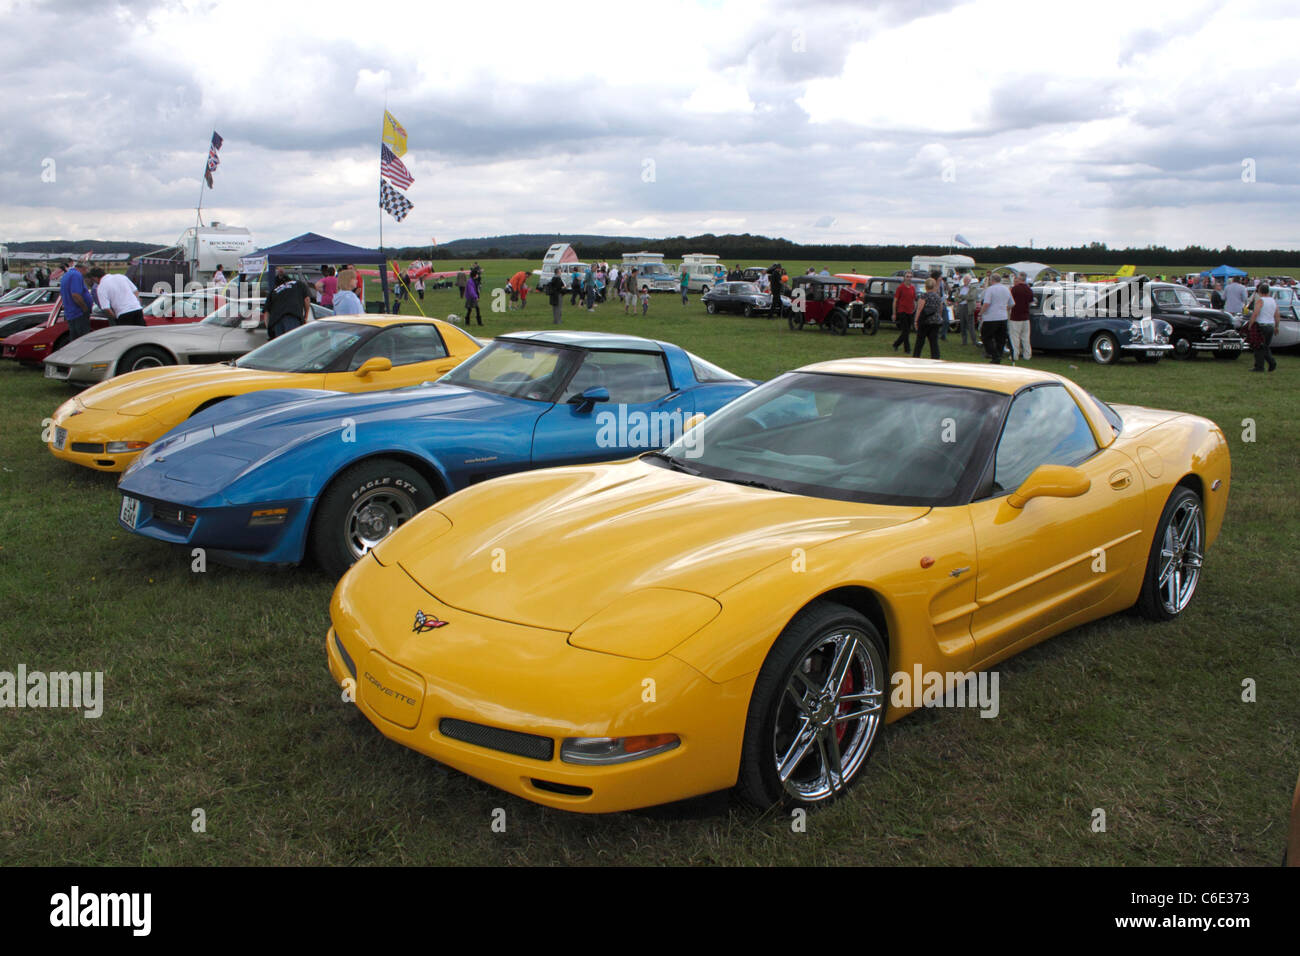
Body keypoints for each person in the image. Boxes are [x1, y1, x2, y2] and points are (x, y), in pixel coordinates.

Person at [261, 268, 312, 339]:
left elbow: (266, 313)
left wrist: (269, 329)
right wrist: (305, 316)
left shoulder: (274, 291)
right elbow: (307, 299)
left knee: (282, 346)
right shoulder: (299, 284)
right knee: (293, 343)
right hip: (292, 317)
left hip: (276, 321)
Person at [979, 273, 1012, 363]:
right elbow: (1011, 303)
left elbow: (986, 303)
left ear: (992, 280)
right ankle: (998, 356)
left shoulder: (990, 289)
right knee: (1000, 339)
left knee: (986, 337)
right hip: (1003, 317)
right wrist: (1004, 309)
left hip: (991, 317)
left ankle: (994, 355)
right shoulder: (1006, 289)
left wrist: (981, 313)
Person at [1247, 282, 1278, 373]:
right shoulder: (1273, 301)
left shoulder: (1260, 301)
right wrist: (1277, 326)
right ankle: (1271, 363)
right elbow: (1277, 315)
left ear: (1260, 291)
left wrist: (1250, 325)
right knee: (1266, 347)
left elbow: (1255, 314)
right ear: (1268, 291)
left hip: (1261, 325)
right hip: (1271, 325)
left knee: (1258, 347)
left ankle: (1260, 366)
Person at [59, 262, 94, 341]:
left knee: (75, 338)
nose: (87, 272)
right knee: (83, 339)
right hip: (78, 313)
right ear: (83, 268)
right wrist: (85, 308)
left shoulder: (67, 275)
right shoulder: (76, 275)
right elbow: (75, 295)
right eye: (87, 270)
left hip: (71, 312)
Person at [911, 277, 943, 360]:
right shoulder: (937, 297)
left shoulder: (924, 296)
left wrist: (916, 321)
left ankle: (916, 357)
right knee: (934, 342)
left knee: (920, 341)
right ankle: (936, 358)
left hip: (925, 321)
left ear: (926, 286)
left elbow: (919, 309)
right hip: (935, 322)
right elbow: (940, 309)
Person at [1008, 272, 1033, 361]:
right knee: (1026, 338)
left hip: (1015, 316)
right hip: (1026, 317)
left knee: (1015, 337)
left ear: (1019, 279)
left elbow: (1010, 302)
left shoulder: (1014, 289)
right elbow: (1030, 302)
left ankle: (1015, 355)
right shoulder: (1029, 289)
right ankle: (1027, 355)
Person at [891, 271, 916, 352]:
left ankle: (896, 344)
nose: (909, 278)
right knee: (905, 331)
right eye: (907, 276)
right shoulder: (900, 288)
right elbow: (895, 301)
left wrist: (914, 308)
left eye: (910, 276)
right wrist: (894, 313)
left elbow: (914, 299)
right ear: (904, 278)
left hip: (910, 312)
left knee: (907, 331)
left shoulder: (913, 288)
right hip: (902, 311)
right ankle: (907, 349)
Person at [956, 276, 976, 345]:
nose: (965, 281)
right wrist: (963, 298)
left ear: (970, 281)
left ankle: (974, 341)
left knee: (970, 326)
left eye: (967, 280)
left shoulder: (973, 288)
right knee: (962, 325)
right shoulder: (960, 288)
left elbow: (971, 297)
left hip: (968, 307)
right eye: (964, 280)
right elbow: (956, 297)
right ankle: (964, 342)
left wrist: (961, 296)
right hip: (961, 307)